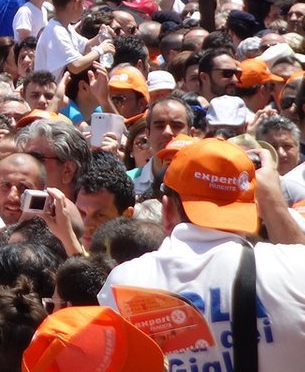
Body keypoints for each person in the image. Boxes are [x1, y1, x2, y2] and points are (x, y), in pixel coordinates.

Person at [100, 139, 305, 361]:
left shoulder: (123, 284)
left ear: (166, 209)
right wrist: (272, 202)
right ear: (254, 210)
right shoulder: (293, 267)